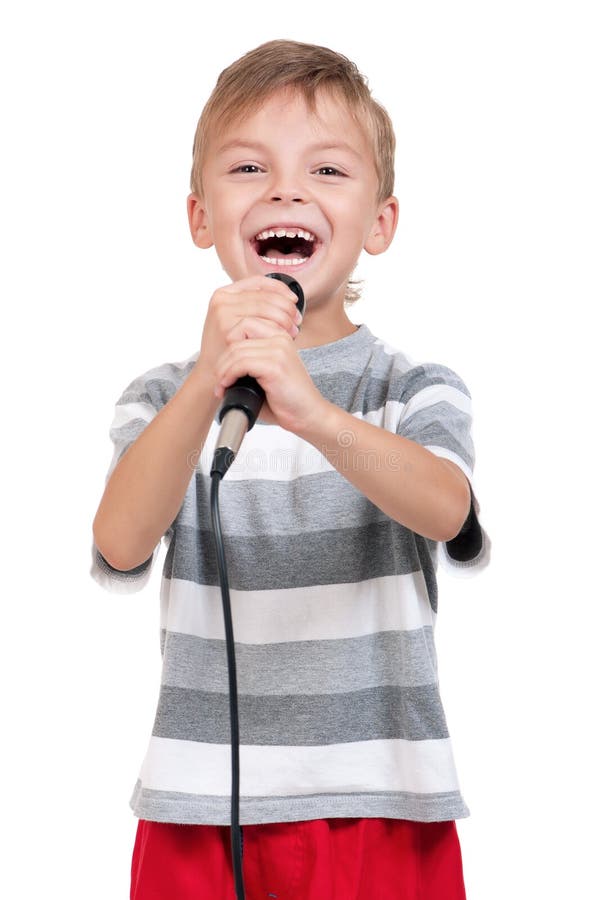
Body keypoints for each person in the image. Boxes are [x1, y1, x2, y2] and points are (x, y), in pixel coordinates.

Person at [90, 38, 491, 900]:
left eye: (328, 171)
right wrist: (209, 380)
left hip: (382, 799)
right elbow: (121, 542)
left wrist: (309, 409)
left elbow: (447, 508)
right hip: (200, 805)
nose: (286, 191)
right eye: (249, 167)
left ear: (380, 223)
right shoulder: (167, 396)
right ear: (200, 216)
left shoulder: (410, 387)